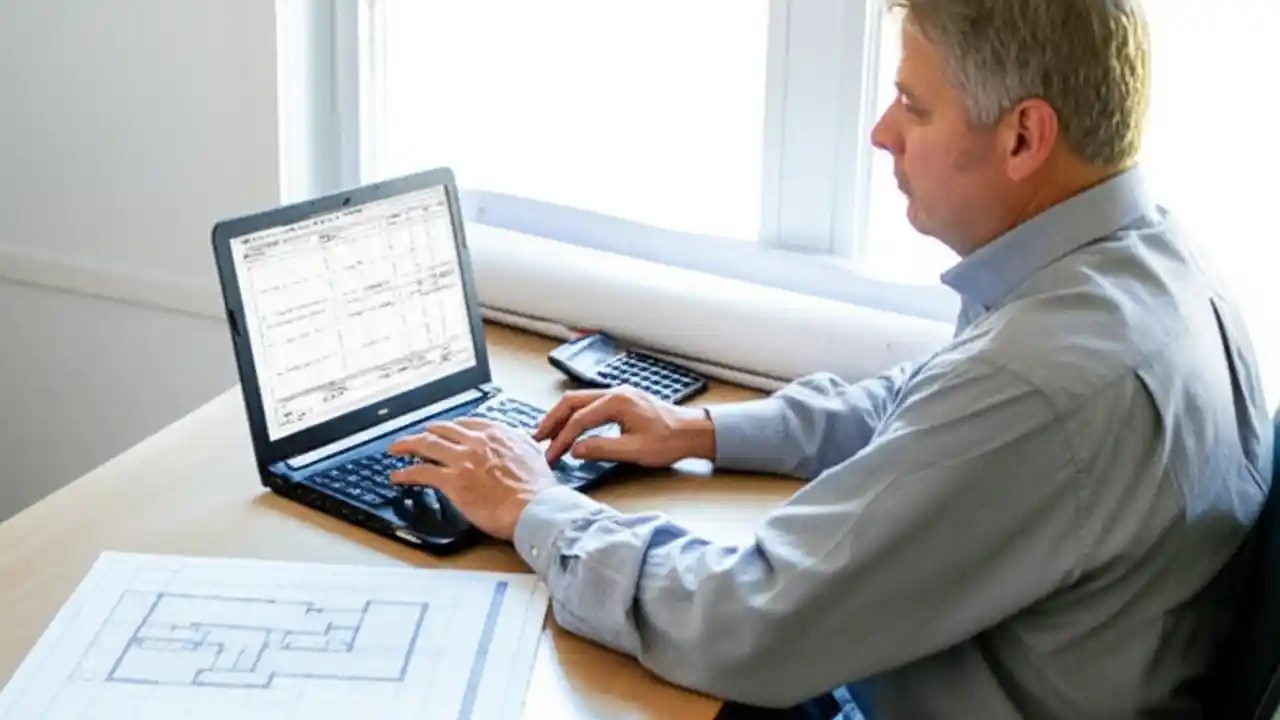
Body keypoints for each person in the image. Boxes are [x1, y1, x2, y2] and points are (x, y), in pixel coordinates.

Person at [388, 0, 1274, 716]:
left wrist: (536, 510)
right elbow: (928, 399)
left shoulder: (1044, 383)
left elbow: (748, 625)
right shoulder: (1147, 266)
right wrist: (700, 429)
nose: (883, 133)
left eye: (914, 106)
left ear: (1023, 138)